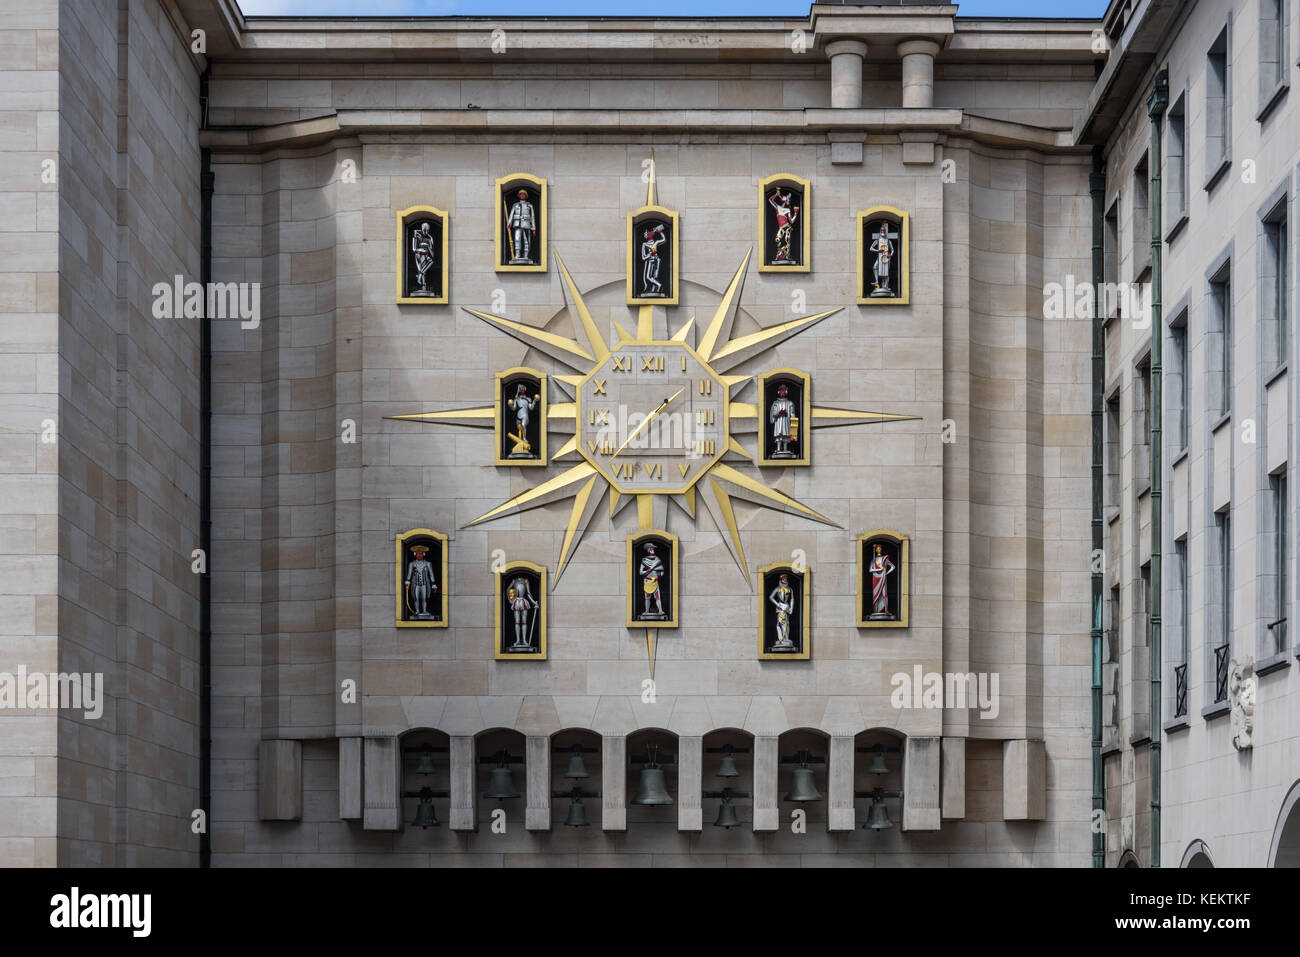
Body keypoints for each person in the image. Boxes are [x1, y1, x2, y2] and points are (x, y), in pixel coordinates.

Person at [506, 383, 539, 457]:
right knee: (519, 430)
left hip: (525, 415)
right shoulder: (516, 399)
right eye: (521, 389)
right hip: (519, 415)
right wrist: (510, 405)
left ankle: (524, 438)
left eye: (523, 389)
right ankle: (521, 444)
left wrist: (534, 401)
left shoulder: (528, 399)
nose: (522, 390)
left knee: (524, 425)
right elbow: (514, 408)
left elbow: (531, 408)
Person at [405, 544, 437, 619]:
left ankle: (424, 610)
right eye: (418, 554)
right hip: (415, 584)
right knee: (415, 598)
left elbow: (431, 574)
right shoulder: (412, 564)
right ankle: (417, 611)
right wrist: (407, 581)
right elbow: (409, 574)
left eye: (421, 553)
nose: (419, 555)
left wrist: (433, 584)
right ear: (415, 554)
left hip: (425, 584)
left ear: (424, 554)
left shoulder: (427, 564)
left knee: (424, 598)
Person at [768, 189, 799, 263]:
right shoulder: (778, 207)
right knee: (778, 240)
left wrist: (795, 214)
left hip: (786, 227)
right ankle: (780, 254)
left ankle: (786, 256)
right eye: (787, 198)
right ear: (784, 200)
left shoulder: (787, 210)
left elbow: (791, 221)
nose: (788, 200)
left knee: (786, 241)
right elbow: (770, 199)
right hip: (781, 228)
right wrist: (776, 193)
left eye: (789, 199)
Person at [507, 575, 538, 649]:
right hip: (516, 601)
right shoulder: (514, 581)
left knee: (524, 622)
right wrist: (510, 599)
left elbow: (528, 593)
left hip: (523, 601)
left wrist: (534, 602)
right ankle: (518, 640)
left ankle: (524, 640)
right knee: (517, 621)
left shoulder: (526, 580)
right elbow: (508, 591)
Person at [506, 188, 536, 264]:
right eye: (521, 194)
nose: (522, 195)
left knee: (526, 241)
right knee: (517, 239)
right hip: (517, 225)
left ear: (526, 196)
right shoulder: (515, 205)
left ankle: (526, 255)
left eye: (523, 194)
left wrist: (534, 228)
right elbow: (511, 215)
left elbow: (532, 217)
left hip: (526, 225)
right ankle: (517, 255)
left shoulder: (529, 205)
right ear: (519, 196)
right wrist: (509, 223)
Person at [768, 382, 796, 457]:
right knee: (779, 435)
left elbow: (793, 415)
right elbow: (773, 414)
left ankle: (785, 449)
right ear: (778, 392)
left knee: (786, 435)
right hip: (778, 421)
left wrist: (794, 428)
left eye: (784, 391)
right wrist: (779, 413)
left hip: (786, 422)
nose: (782, 392)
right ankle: (778, 449)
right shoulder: (776, 403)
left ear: (786, 392)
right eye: (781, 391)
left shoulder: (790, 403)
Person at [868, 543, 896, 620]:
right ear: (876, 550)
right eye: (877, 549)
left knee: (884, 593)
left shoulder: (885, 558)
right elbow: (870, 570)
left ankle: (886, 610)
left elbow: (893, 567)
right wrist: (878, 570)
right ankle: (876, 611)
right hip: (875, 578)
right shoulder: (873, 560)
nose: (878, 550)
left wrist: (886, 573)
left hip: (883, 578)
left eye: (880, 548)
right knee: (876, 595)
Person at [769, 573, 796, 650]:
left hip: (786, 607)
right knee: (779, 623)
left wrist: (791, 608)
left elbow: (792, 599)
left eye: (786, 580)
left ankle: (786, 638)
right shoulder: (777, 589)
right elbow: (771, 597)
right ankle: (780, 639)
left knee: (786, 623)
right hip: (779, 607)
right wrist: (777, 604)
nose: (785, 582)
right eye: (783, 580)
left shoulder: (790, 589)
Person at [639, 543, 666, 618]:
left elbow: (661, 571)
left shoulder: (657, 560)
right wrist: (648, 570)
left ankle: (660, 610)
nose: (652, 550)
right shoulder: (644, 560)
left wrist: (658, 576)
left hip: (655, 581)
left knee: (657, 597)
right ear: (648, 550)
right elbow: (641, 572)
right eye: (651, 548)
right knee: (647, 597)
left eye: (653, 548)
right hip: (647, 581)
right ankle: (646, 611)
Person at [410, 221, 436, 294]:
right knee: (423, 272)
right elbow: (414, 249)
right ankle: (422, 283)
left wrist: (428, 246)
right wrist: (420, 249)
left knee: (430, 261)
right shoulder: (417, 236)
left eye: (427, 230)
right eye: (424, 230)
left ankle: (419, 275)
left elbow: (433, 254)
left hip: (426, 255)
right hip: (419, 255)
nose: (426, 232)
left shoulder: (430, 238)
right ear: (422, 229)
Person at [641, 224, 667, 295]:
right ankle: (659, 285)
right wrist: (649, 255)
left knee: (655, 276)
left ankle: (656, 288)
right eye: (645, 233)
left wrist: (660, 231)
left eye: (646, 233)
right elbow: (643, 257)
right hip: (650, 260)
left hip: (656, 260)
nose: (645, 234)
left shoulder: (656, 243)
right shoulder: (645, 244)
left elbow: (664, 239)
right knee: (648, 277)